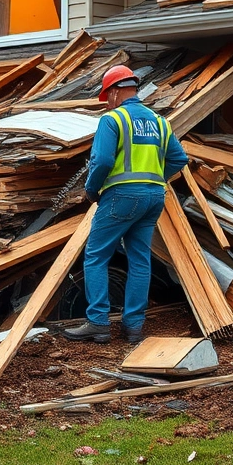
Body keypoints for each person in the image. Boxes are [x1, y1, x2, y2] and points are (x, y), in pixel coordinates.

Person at [64, 65, 188, 344]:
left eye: (107, 95)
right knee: (140, 260)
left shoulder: (113, 120)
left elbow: (103, 161)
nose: (107, 102)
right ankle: (134, 327)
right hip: (154, 196)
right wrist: (155, 177)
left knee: (96, 256)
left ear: (116, 92)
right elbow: (180, 159)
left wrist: (92, 190)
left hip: (120, 196)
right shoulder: (160, 122)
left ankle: (98, 323)